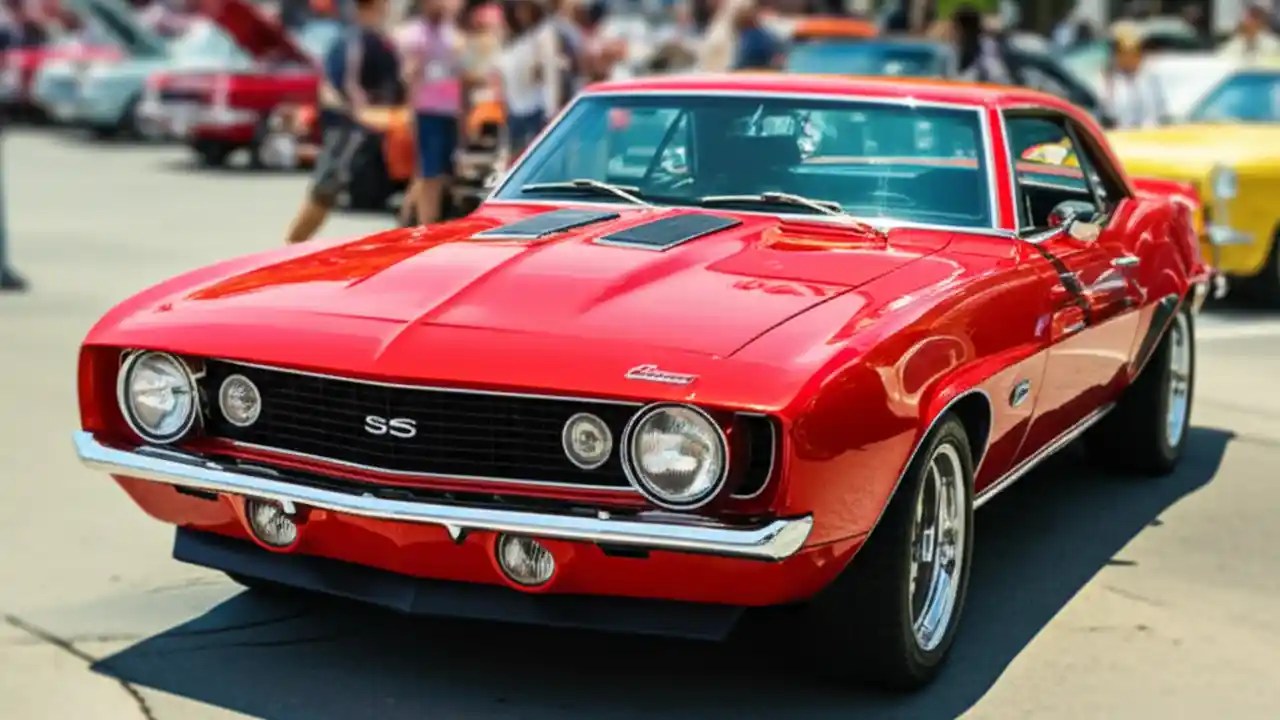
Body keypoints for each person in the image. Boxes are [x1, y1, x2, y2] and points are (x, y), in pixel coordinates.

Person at [284, 0, 402, 245]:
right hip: (348, 128)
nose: (387, 9)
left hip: (375, 126)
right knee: (325, 191)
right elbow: (332, 86)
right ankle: (291, 248)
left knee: (332, 191)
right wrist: (357, 112)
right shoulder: (352, 42)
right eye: (382, 5)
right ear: (366, 8)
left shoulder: (380, 41)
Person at [397, 0, 464, 227]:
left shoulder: (451, 33)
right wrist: (409, 109)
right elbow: (407, 76)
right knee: (430, 173)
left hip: (449, 110)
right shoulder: (413, 34)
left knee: (439, 173)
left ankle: (407, 221)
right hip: (426, 110)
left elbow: (458, 73)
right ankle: (427, 226)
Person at [497, 0, 554, 155]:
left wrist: (551, 111)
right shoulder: (512, 42)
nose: (521, 13)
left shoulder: (542, 35)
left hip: (535, 110)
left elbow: (548, 76)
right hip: (514, 111)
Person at [1100, 27, 1167, 129]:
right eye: (1125, 54)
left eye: (1135, 53)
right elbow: (1107, 114)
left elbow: (1160, 110)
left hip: (1150, 137)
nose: (1130, 59)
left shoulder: (1150, 78)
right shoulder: (1109, 82)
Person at [952, 4, 1013, 84]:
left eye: (956, 28)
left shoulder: (987, 47)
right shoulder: (959, 49)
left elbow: (994, 74)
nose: (954, 32)